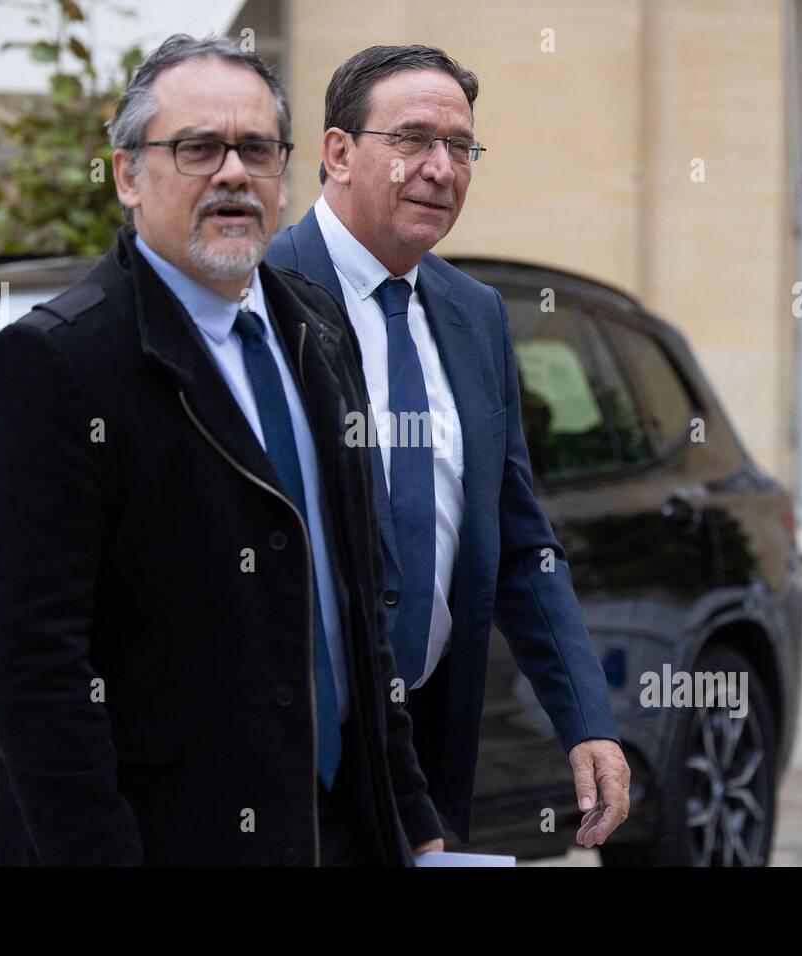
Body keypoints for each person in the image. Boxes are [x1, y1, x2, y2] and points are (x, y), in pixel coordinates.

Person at [0, 34, 443, 866]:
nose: (231, 173)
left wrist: (411, 814)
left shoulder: (316, 328)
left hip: (337, 830)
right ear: (126, 175)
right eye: (197, 148)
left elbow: (358, 601)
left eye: (255, 149)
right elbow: (35, 672)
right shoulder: (56, 365)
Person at [267, 44, 630, 848]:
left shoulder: (476, 316)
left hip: (433, 734)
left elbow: (518, 543)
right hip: (298, 745)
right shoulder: (262, 293)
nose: (442, 168)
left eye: (460, 147)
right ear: (337, 153)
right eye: (412, 140)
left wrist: (586, 721)